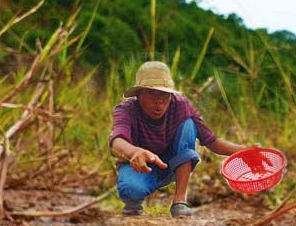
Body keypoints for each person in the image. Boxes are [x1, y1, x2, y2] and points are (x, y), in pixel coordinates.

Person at [108, 61, 252, 217]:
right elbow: (117, 140)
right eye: (151, 93)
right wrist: (134, 152)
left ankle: (179, 201)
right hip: (140, 166)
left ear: (170, 95)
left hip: (171, 165)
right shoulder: (126, 109)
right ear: (138, 94)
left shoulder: (181, 106)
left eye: (164, 94)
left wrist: (245, 151)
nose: (159, 101)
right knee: (131, 190)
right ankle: (133, 206)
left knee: (189, 124)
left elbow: (211, 141)